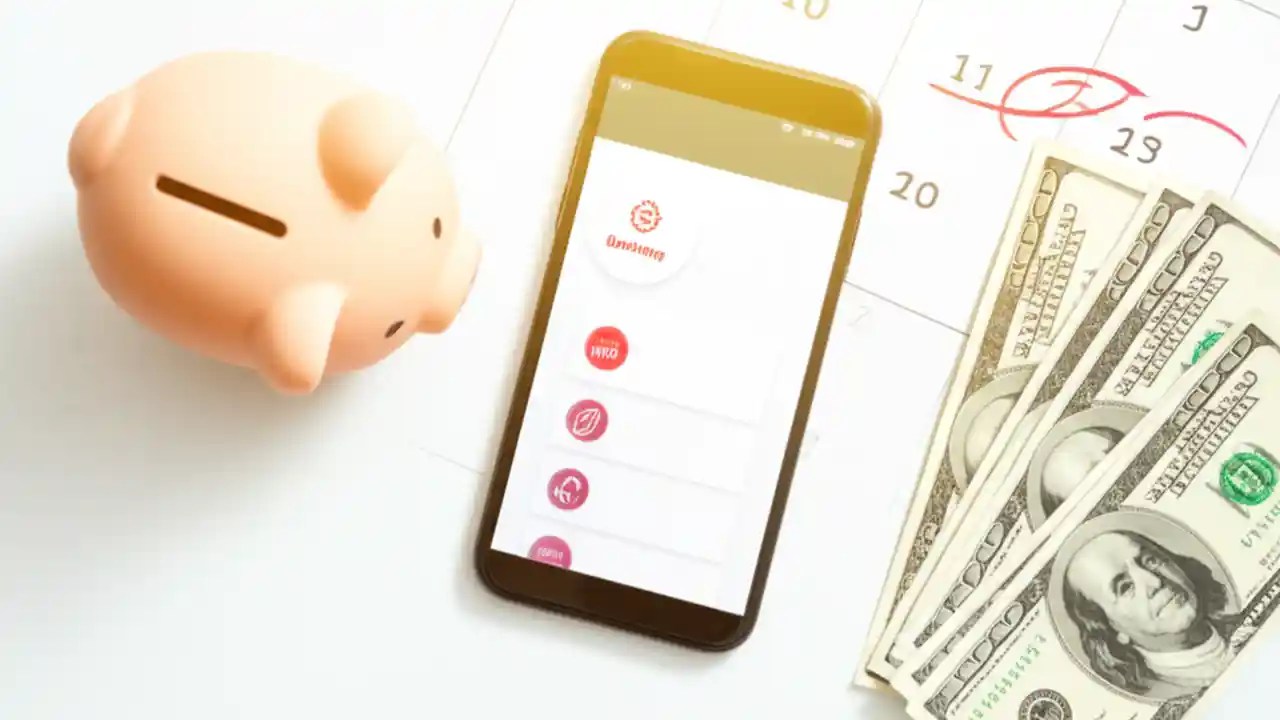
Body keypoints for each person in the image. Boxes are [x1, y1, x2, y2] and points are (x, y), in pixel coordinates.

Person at [1062, 529, 1238, 697]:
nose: (1155, 582)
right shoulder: (1154, 694)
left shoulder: (1245, 624)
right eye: (1125, 587)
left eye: (1151, 561)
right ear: (1111, 628)